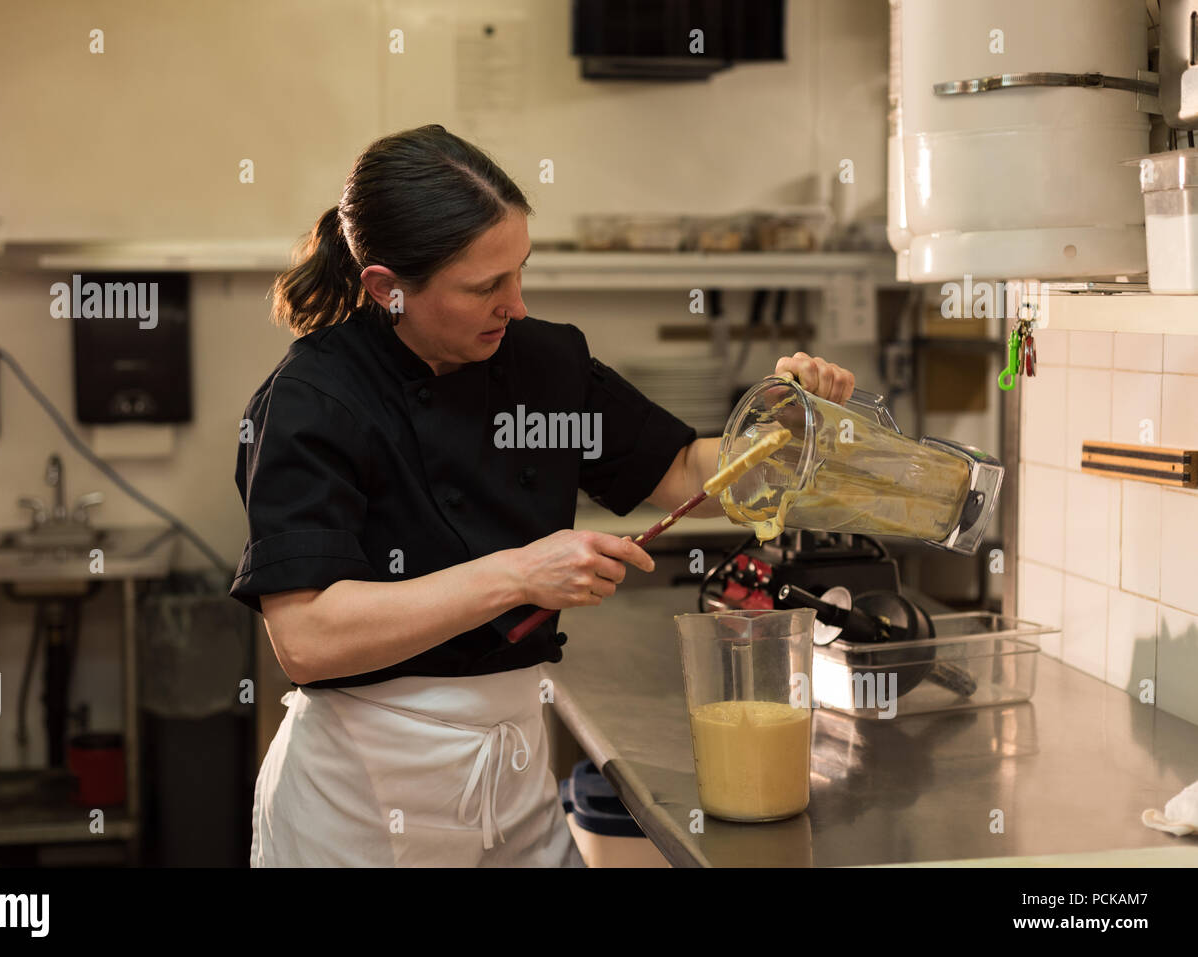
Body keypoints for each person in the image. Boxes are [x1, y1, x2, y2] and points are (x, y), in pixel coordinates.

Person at [230, 124, 856, 867]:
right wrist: (520, 574)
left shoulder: (542, 365)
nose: (516, 304)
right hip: (360, 807)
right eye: (486, 286)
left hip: (517, 786)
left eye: (520, 271)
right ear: (386, 288)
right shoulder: (315, 399)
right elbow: (305, 639)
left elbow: (687, 469)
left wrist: (786, 427)